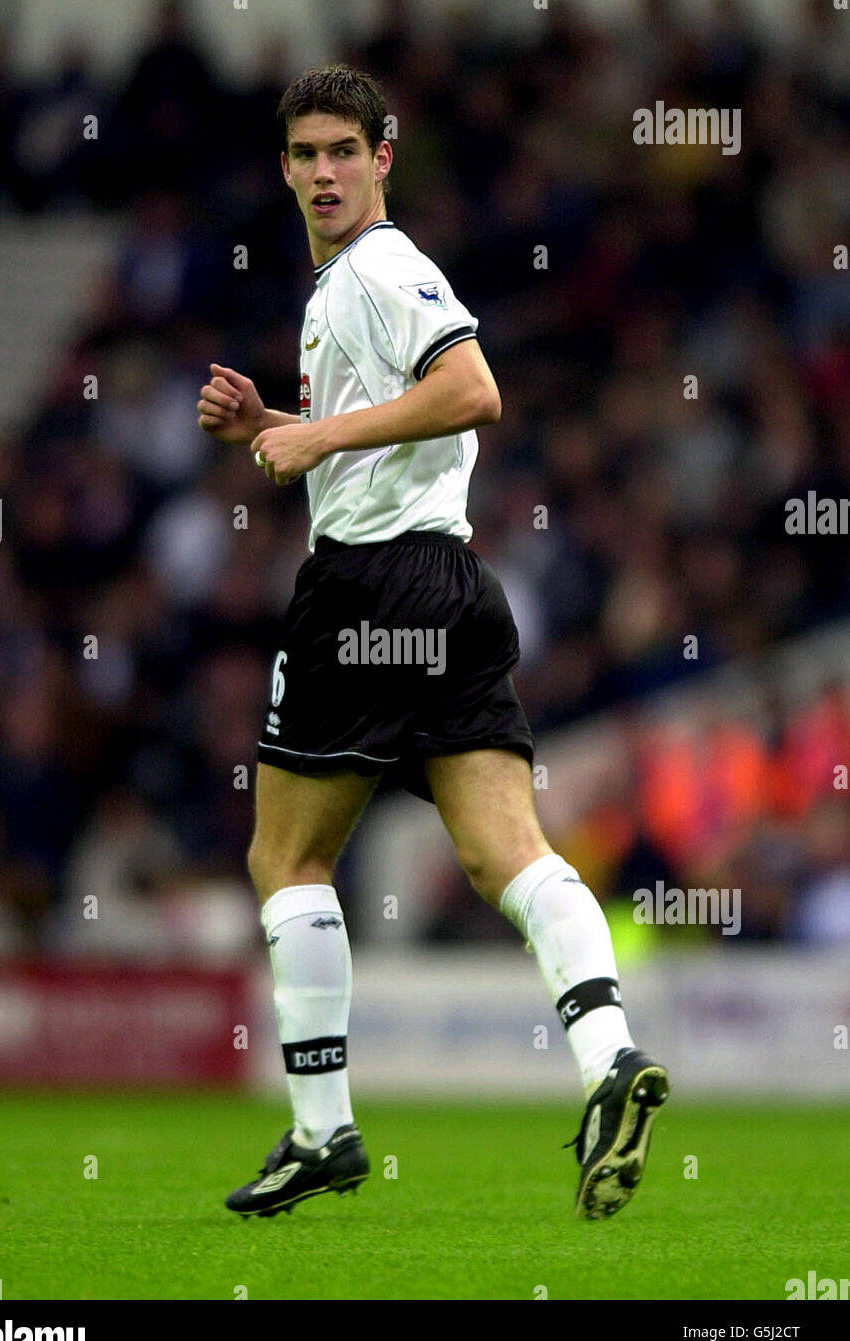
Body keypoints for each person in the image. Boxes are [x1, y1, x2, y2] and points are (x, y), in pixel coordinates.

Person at [196, 64, 669, 1222]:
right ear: (283, 167)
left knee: (287, 860)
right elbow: (400, 432)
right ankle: (609, 1057)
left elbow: (471, 390)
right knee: (507, 854)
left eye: (341, 152)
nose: (322, 173)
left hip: (367, 589)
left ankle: (322, 1131)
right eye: (304, 154)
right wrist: (276, 425)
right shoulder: (352, 283)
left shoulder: (379, 266)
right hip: (453, 585)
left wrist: (315, 441)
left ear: (383, 158)